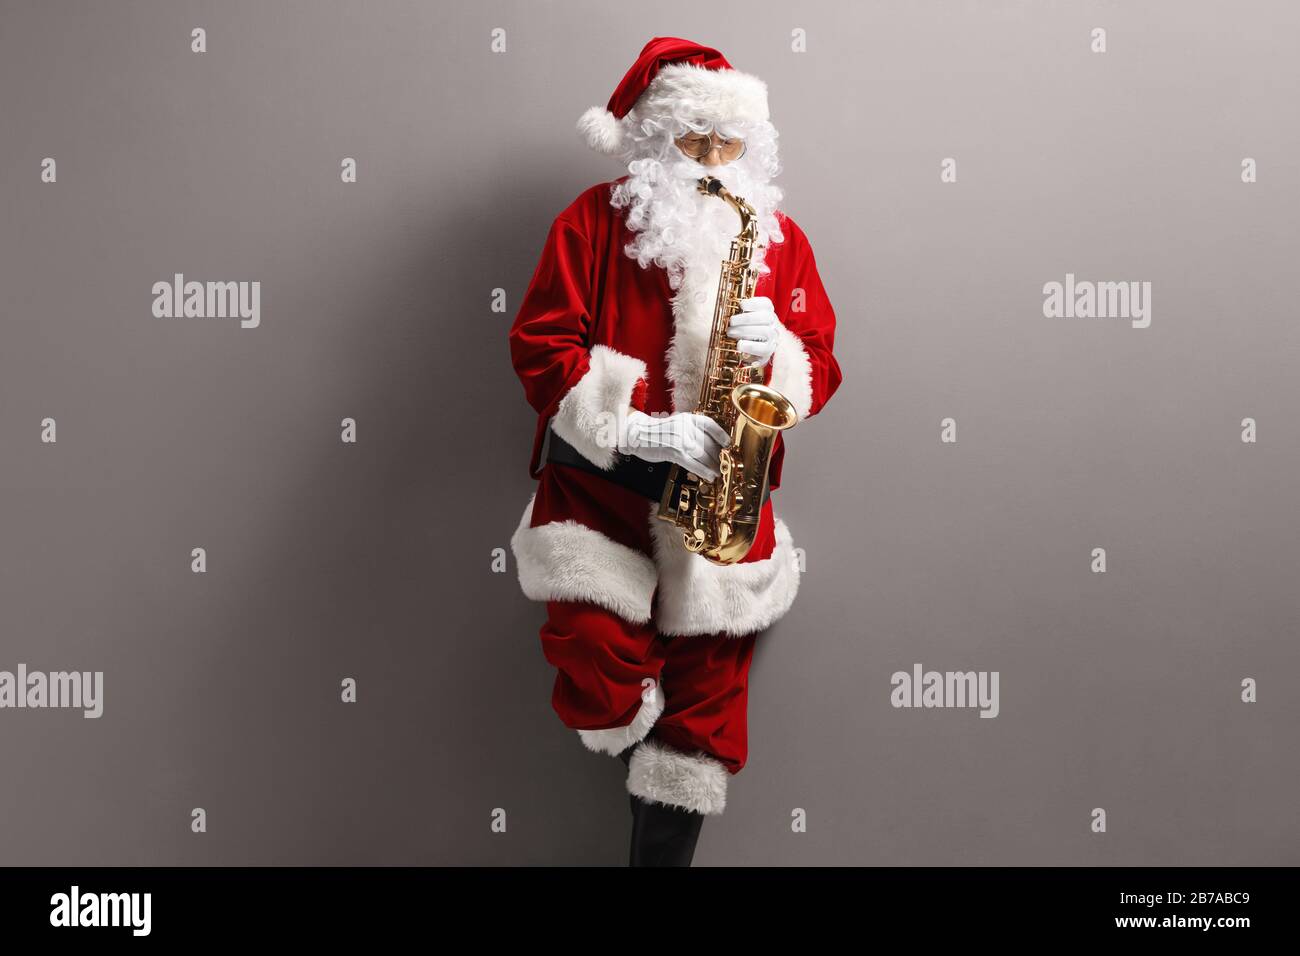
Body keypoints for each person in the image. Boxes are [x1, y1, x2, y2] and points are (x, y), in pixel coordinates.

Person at [507, 36, 842, 866]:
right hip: (604, 496)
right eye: (694, 143)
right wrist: (636, 429)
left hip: (727, 507)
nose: (712, 163)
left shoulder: (781, 239)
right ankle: (627, 723)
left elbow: (821, 356)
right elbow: (541, 345)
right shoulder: (590, 221)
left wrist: (781, 355)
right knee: (595, 665)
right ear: (656, 140)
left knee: (705, 724)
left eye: (729, 146)